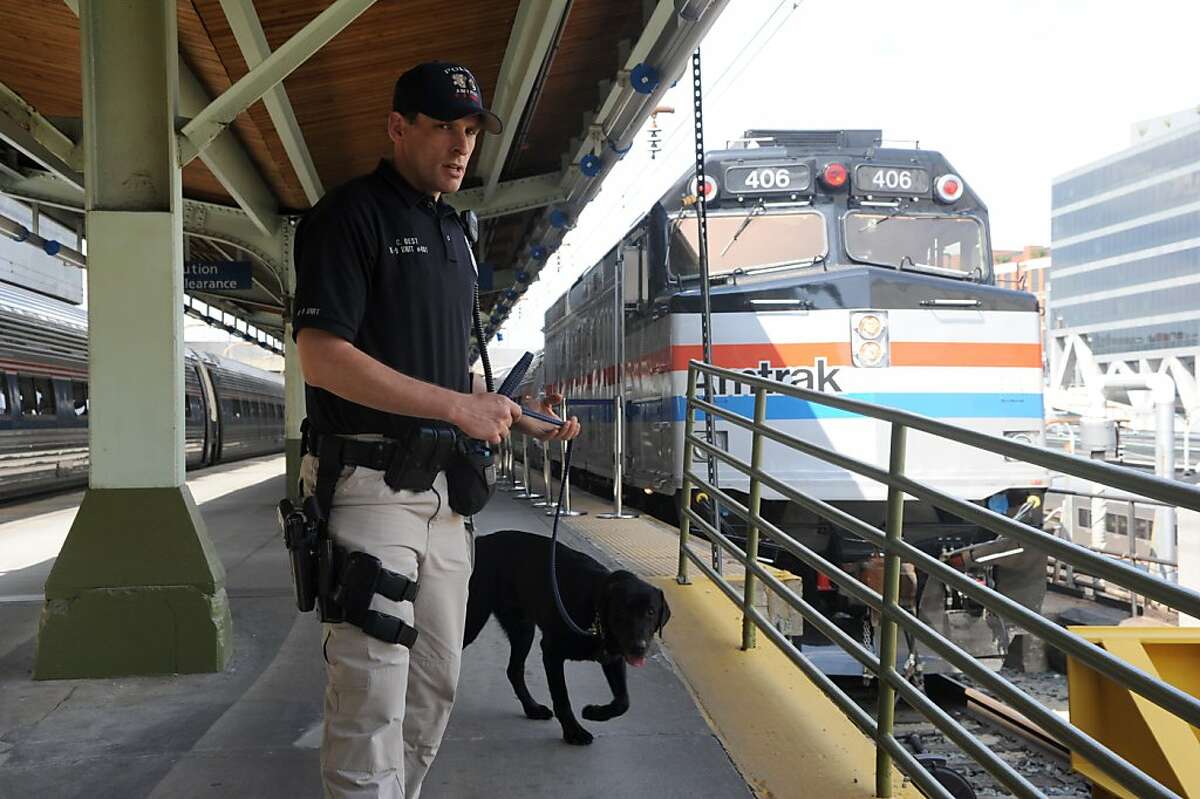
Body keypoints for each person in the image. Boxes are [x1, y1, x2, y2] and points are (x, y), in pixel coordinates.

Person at [292, 61, 581, 799]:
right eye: (443, 126)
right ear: (398, 128)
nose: (461, 146)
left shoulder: (455, 233)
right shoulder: (348, 218)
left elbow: (446, 373)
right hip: (369, 488)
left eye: (472, 130)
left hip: (446, 499)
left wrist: (512, 413)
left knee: (435, 687)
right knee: (371, 698)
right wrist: (456, 408)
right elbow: (321, 357)